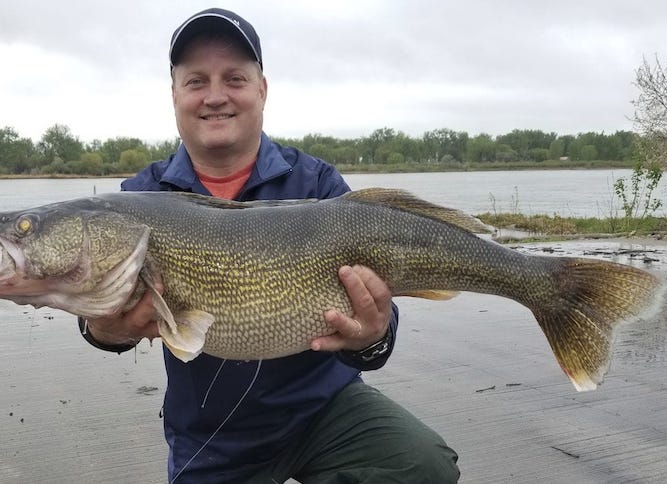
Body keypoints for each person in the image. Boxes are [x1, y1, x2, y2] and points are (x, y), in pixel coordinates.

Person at [78, 8, 459, 483]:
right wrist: (104, 331)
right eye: (196, 81)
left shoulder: (317, 184)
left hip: (324, 409)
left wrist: (374, 334)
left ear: (262, 89)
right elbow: (98, 317)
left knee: (422, 464)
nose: (215, 96)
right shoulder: (140, 198)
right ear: (174, 94)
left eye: (234, 78)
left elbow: (377, 338)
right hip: (213, 433)